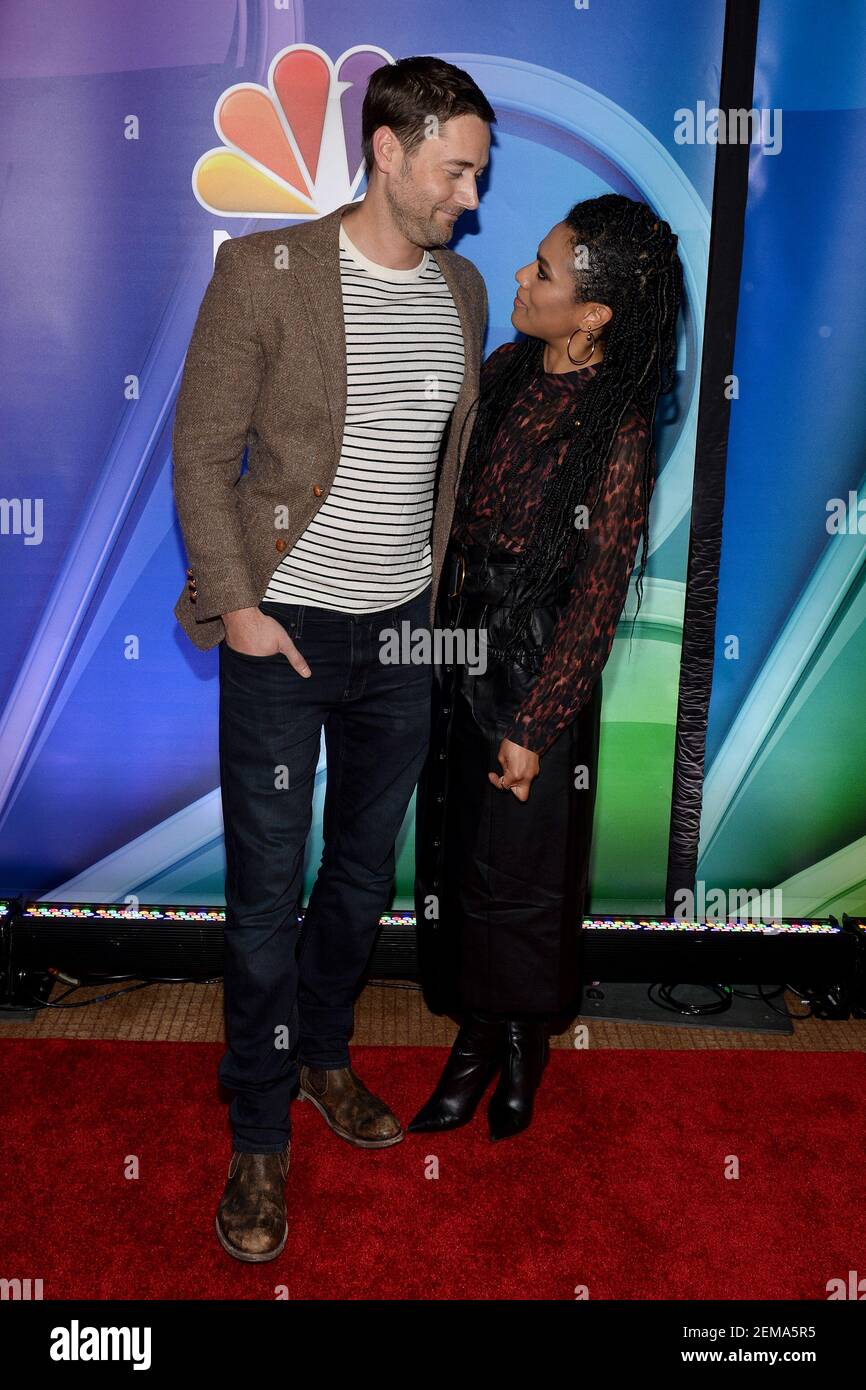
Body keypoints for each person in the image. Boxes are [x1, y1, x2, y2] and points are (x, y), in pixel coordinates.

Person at [171, 56, 495, 1261]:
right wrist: (241, 609)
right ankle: (258, 1135)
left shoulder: (459, 292)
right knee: (264, 899)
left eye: (475, 172)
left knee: (359, 880)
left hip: (401, 634)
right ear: (387, 151)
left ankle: (318, 1058)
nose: (468, 193)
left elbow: (444, 471)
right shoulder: (268, 270)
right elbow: (202, 453)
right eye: (454, 167)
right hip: (284, 633)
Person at [411, 194, 683, 1141]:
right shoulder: (507, 368)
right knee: (458, 855)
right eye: (533, 262)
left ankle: (500, 1044)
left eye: (545, 272)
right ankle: (499, 1035)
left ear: (594, 316)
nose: (522, 278)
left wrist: (536, 724)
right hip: (459, 652)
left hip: (538, 675)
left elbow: (600, 591)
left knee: (522, 877)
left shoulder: (615, 428)